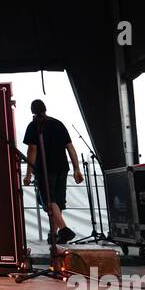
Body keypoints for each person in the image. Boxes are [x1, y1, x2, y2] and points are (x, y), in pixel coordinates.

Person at [22, 100, 83, 244]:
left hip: (45, 169)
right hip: (62, 167)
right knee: (58, 201)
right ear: (45, 108)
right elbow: (70, 148)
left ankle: (64, 230)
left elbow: (32, 150)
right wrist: (76, 169)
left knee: (49, 200)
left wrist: (28, 174)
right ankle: (54, 234)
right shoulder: (58, 124)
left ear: (32, 111)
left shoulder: (34, 126)